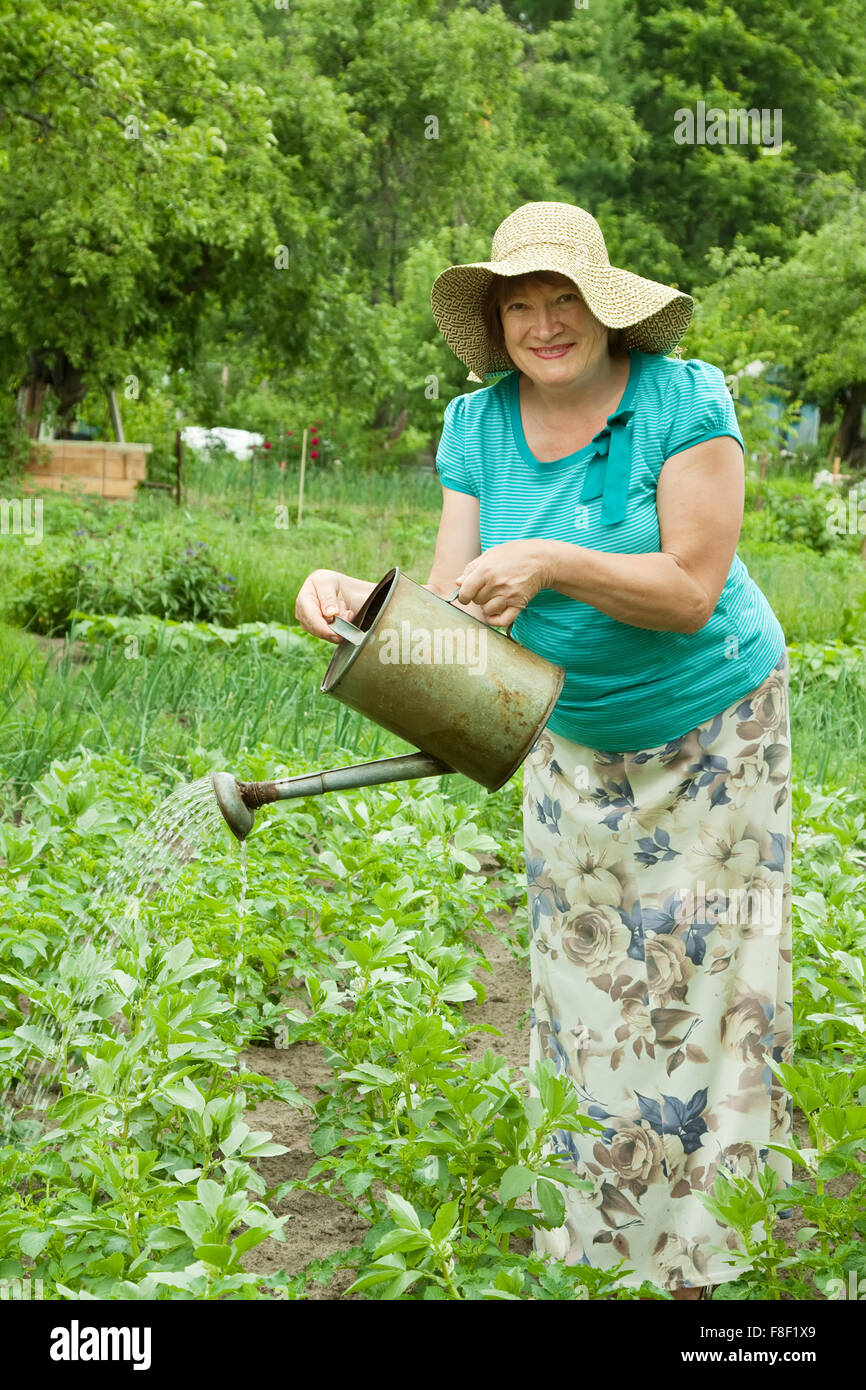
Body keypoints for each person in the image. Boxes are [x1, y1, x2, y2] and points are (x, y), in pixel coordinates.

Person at [294, 201, 794, 1302]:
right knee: (588, 997)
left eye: (559, 298)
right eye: (517, 306)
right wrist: (353, 606)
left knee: (711, 980)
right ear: (497, 324)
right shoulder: (476, 426)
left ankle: (703, 1262)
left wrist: (552, 560)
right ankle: (592, 1252)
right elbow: (461, 627)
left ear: (603, 307)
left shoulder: (681, 399)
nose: (541, 323)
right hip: (573, 743)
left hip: (715, 730)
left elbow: (688, 590)